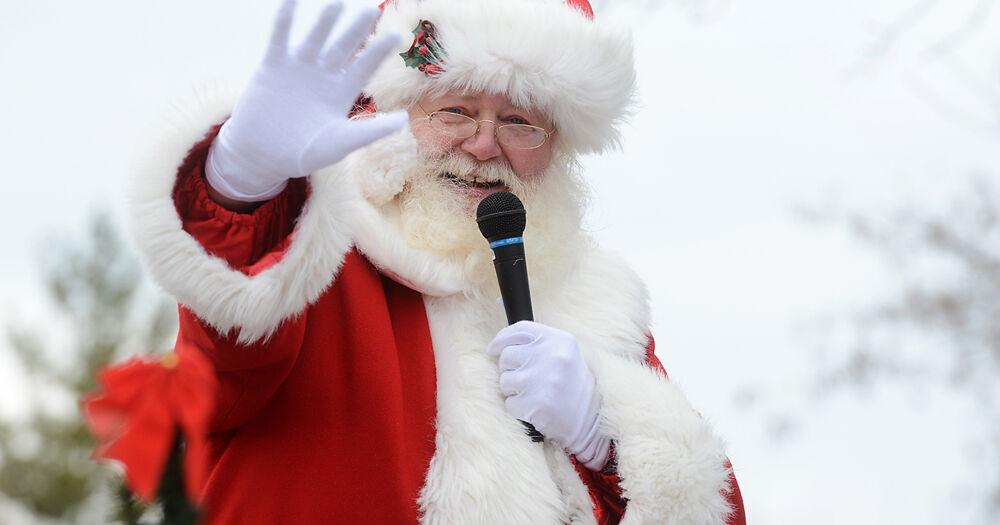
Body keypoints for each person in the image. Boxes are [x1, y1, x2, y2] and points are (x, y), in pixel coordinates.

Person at [131, 0, 747, 523]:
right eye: (455, 110)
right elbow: (224, 357)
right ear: (393, 112)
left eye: (520, 122)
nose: (484, 145)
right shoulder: (313, 251)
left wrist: (605, 437)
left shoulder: (596, 309)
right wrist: (241, 185)